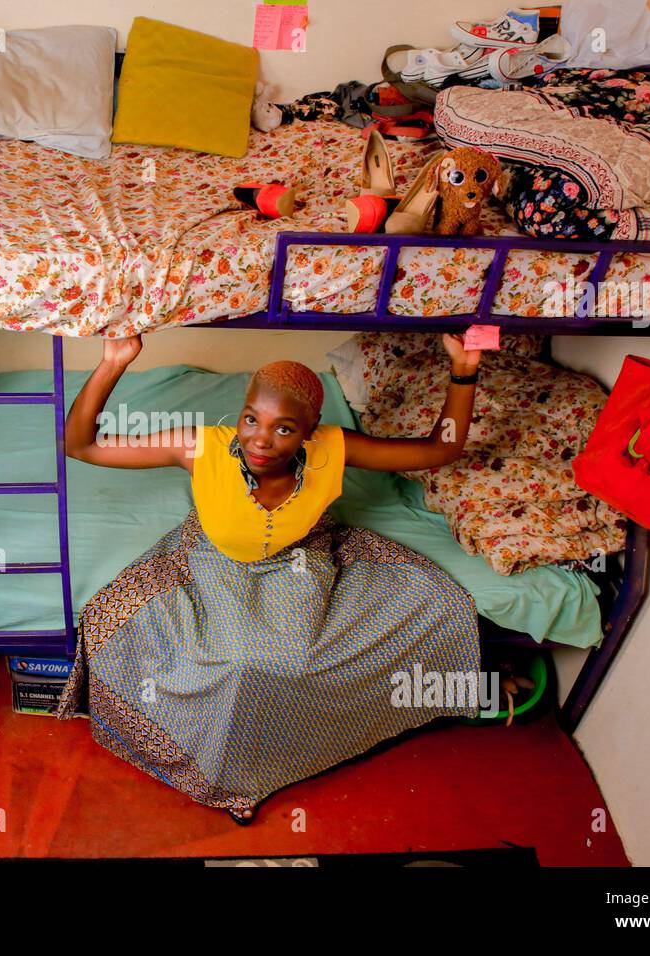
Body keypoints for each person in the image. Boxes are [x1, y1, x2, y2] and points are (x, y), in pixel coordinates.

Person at [56, 333, 485, 824]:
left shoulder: (333, 448)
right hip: (214, 560)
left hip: (298, 561)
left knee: (305, 657)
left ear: (309, 431)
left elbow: (441, 450)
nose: (261, 439)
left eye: (284, 429)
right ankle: (226, 779)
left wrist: (464, 371)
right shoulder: (199, 446)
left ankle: (282, 759)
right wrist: (114, 362)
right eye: (251, 420)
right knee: (233, 664)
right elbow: (80, 445)